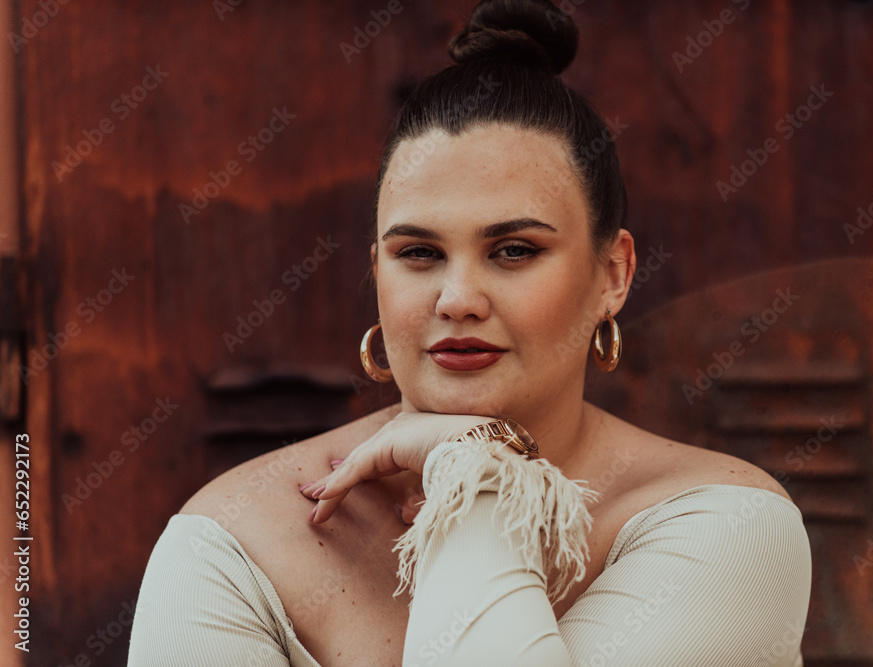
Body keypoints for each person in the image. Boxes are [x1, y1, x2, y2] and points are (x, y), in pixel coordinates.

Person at [128, 1, 811, 664]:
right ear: (378, 271)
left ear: (613, 273)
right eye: (418, 254)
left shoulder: (728, 526)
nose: (456, 299)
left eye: (513, 250)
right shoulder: (229, 543)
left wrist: (474, 472)